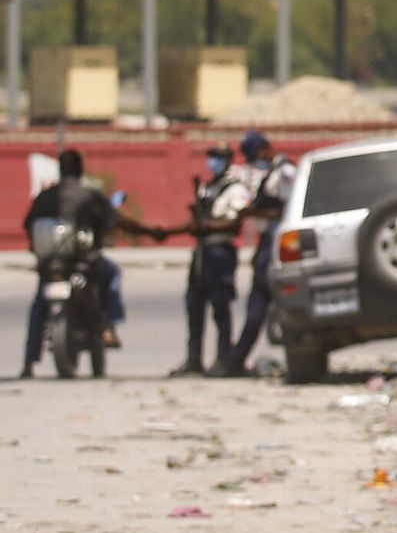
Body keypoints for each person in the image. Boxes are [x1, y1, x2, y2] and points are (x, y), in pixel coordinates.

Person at [21, 149, 163, 378]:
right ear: (79, 170)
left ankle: (28, 362)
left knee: (39, 307)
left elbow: (28, 225)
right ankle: (109, 326)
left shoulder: (45, 197)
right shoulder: (89, 195)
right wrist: (151, 232)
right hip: (83, 263)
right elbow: (119, 222)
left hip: (51, 265)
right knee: (112, 273)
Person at [214, 131, 296, 378]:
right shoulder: (272, 172)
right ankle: (235, 360)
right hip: (266, 246)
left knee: (283, 307)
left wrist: (252, 214)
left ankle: (238, 359)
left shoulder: (286, 173)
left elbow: (286, 209)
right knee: (257, 307)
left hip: (278, 244)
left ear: (262, 150)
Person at [168, 145, 251, 378]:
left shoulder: (234, 189)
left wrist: (206, 225)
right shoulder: (206, 187)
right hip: (202, 252)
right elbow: (195, 221)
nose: (212, 162)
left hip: (220, 252)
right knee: (194, 306)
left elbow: (235, 223)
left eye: (217, 158)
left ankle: (223, 358)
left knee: (220, 306)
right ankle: (194, 358)